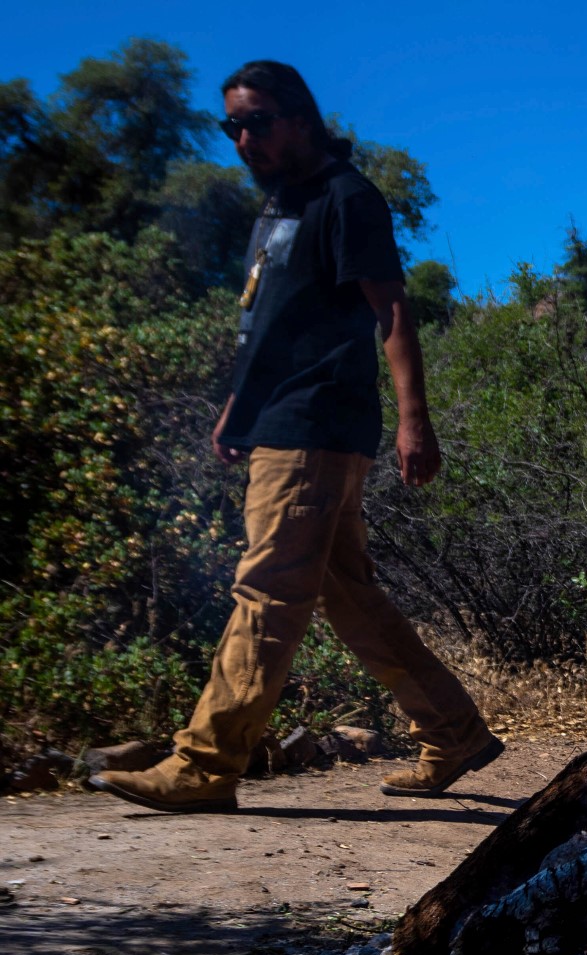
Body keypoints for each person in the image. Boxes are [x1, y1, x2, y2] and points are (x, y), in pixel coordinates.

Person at [88, 61, 502, 813]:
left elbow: (393, 313)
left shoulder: (347, 198)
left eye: (257, 121)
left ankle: (205, 766)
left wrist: (415, 419)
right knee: (348, 596)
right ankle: (455, 731)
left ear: (301, 120)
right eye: (232, 127)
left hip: (317, 424)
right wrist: (237, 409)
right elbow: (273, 329)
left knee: (267, 591)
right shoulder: (284, 207)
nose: (243, 139)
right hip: (283, 415)